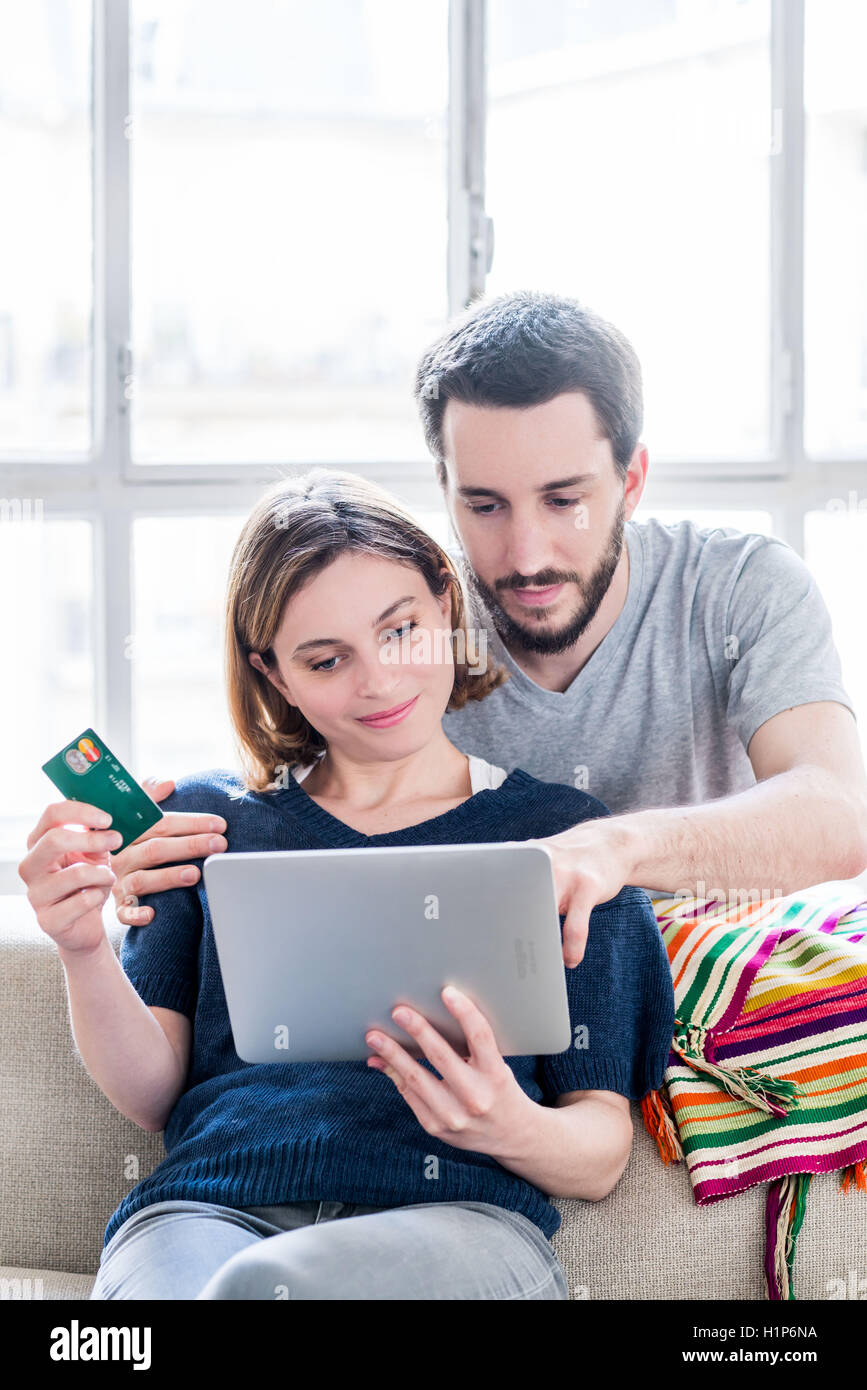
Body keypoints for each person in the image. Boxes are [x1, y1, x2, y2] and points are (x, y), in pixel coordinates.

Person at [18, 470, 675, 1301]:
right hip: (203, 1214)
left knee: (257, 1289)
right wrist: (81, 947)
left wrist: (508, 1125)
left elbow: (599, 1147)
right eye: (326, 660)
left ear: (444, 602)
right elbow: (152, 1096)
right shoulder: (203, 825)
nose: (377, 681)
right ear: (273, 674)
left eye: (399, 631)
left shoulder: (564, 837)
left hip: (456, 1224)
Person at [110, 291, 867, 964]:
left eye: (563, 499)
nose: (525, 556)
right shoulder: (412, 618)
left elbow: (836, 816)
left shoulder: (738, 586)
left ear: (630, 481)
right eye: (484, 506)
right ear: (442, 486)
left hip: (711, 997)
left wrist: (613, 846)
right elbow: (309, 775)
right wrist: (166, 857)